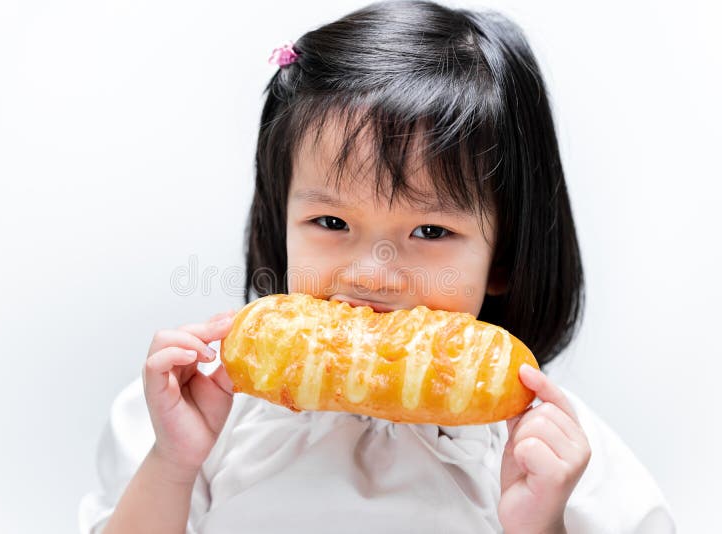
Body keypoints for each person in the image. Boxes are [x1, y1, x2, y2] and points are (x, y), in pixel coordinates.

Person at [79, 1, 676, 532]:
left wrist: (542, 525)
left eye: (430, 231)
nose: (371, 274)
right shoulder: (207, 414)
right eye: (331, 222)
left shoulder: (556, 453)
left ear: (503, 257)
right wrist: (173, 464)